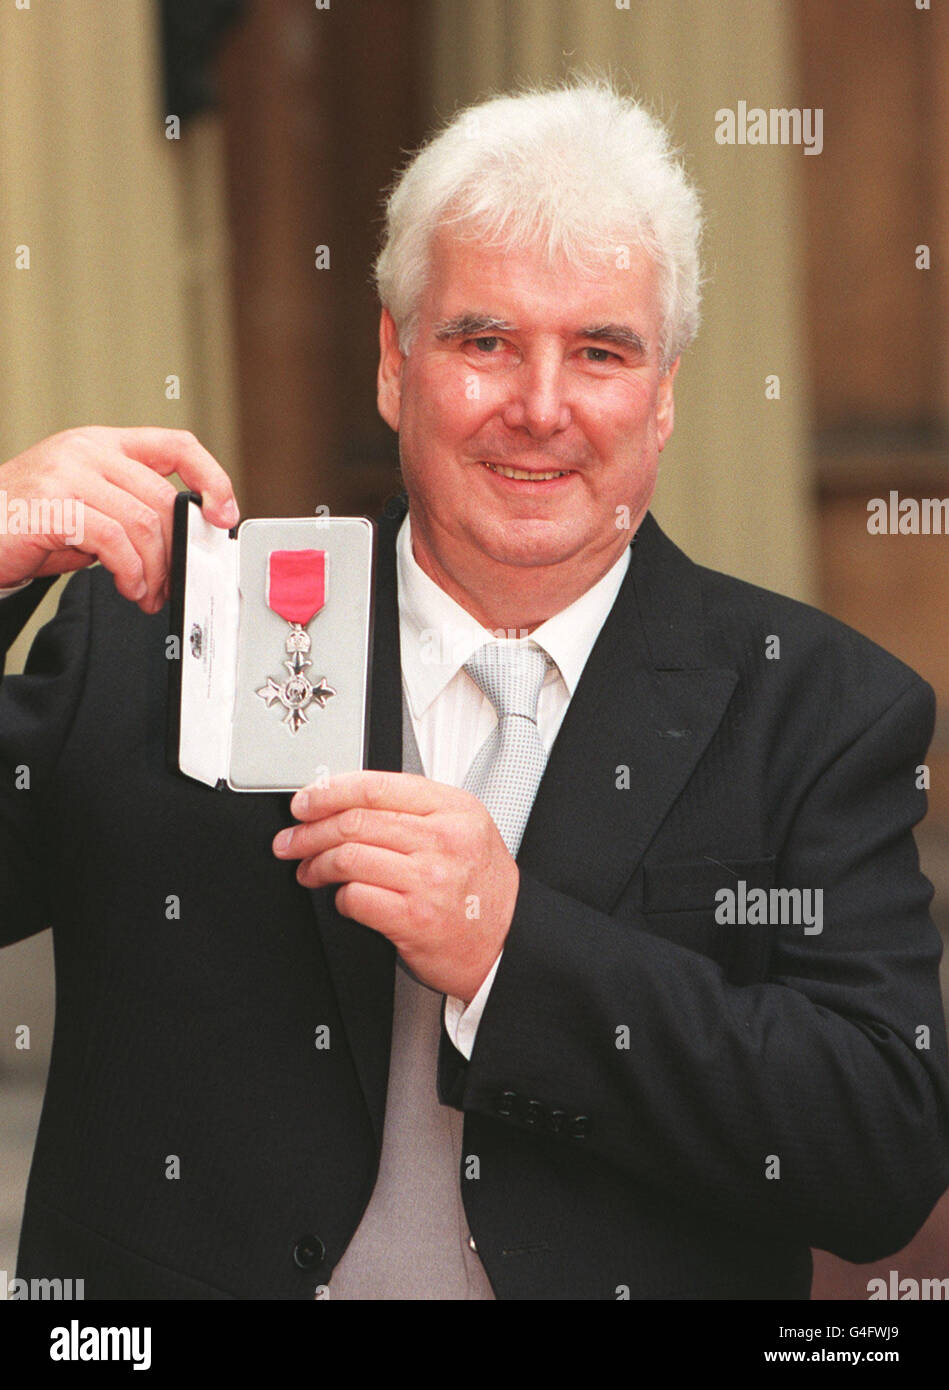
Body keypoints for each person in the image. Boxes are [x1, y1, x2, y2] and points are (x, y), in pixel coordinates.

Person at [1, 79, 947, 1301]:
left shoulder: (817, 709)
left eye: (600, 352)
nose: (539, 407)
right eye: (483, 340)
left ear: (662, 394)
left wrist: (514, 950)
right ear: (395, 365)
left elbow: (877, 1149)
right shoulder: (166, 639)